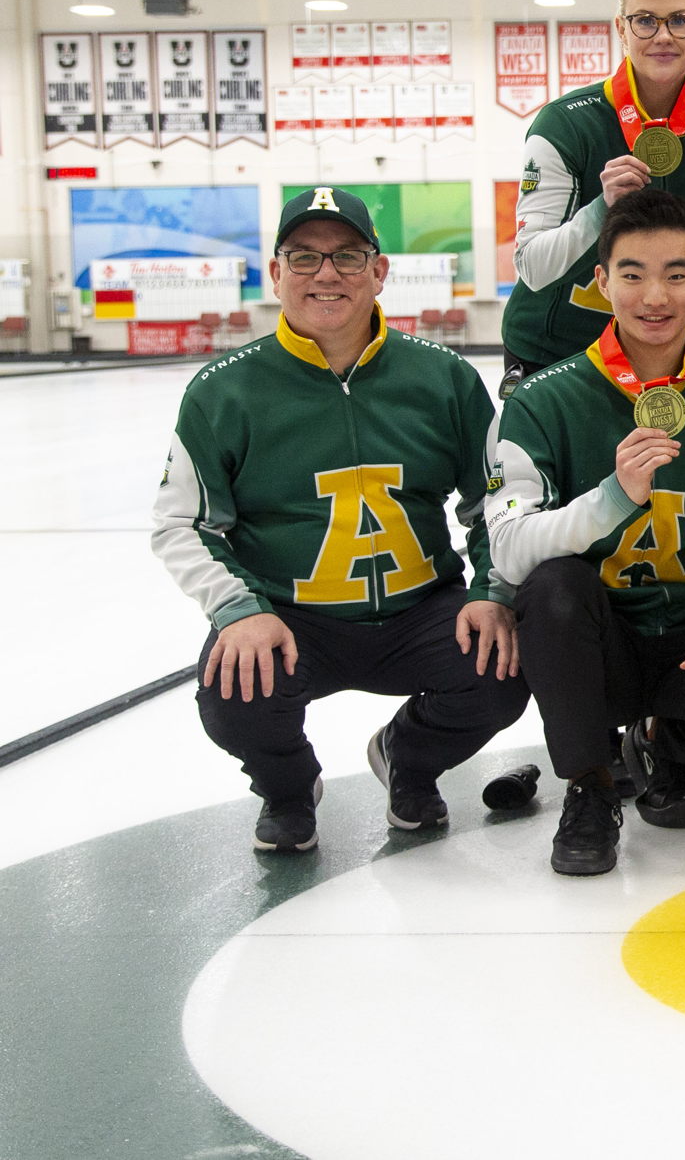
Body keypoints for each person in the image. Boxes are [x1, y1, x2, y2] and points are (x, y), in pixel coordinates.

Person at [152, 187, 526, 854]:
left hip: (418, 611)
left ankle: (407, 759)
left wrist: (489, 593)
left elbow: (495, 504)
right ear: (276, 274)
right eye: (303, 257)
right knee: (232, 687)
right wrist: (239, 611)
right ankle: (289, 788)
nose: (326, 274)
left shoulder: (442, 379)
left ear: (379, 272)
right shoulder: (224, 391)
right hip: (293, 617)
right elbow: (182, 524)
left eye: (348, 257)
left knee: (501, 671)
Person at [487, 188, 685, 876]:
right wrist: (612, 497)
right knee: (555, 586)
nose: (655, 295)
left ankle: (663, 743)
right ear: (601, 281)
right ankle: (590, 785)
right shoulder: (542, 401)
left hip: (683, 640)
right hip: (594, 645)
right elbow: (508, 546)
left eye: (676, 274)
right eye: (632, 273)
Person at [501, 0, 685, 393]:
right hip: (552, 354)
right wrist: (601, 210)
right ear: (621, 29)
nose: (663, 36)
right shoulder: (565, 125)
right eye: (645, 21)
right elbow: (532, 267)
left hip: (655, 356)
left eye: (679, 20)